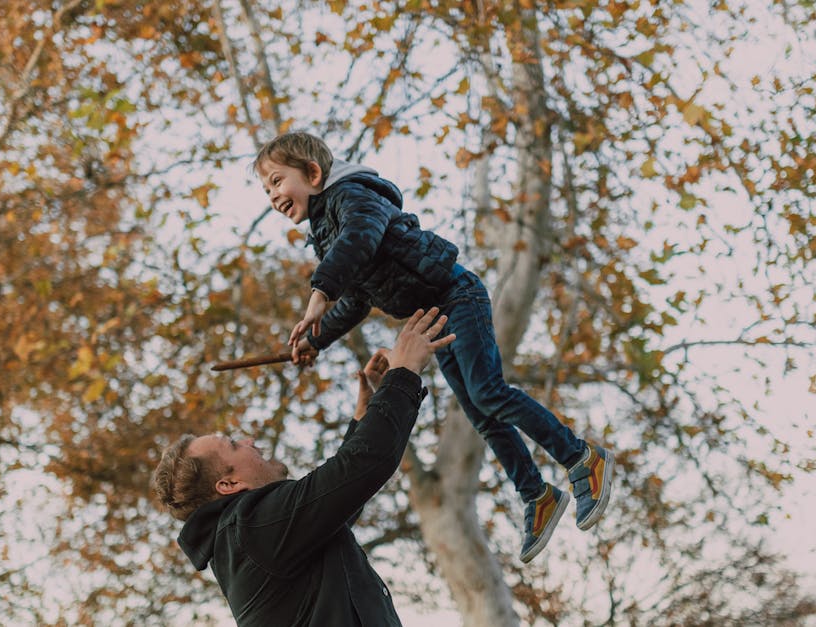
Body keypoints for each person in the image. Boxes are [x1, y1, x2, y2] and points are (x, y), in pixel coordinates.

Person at [252, 131, 614, 563]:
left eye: (277, 181)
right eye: (266, 189)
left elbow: (361, 237)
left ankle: (581, 457)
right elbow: (356, 299)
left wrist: (318, 293)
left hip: (455, 295)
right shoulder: (326, 232)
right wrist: (316, 340)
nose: (273, 195)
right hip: (431, 317)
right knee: (481, 412)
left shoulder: (354, 197)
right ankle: (537, 494)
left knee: (487, 392)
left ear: (313, 173)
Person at [154, 308, 455, 627]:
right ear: (228, 485)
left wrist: (366, 417)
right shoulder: (250, 528)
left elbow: (338, 498)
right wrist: (404, 372)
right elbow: (360, 468)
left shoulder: (252, 540)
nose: (249, 440)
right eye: (233, 444)